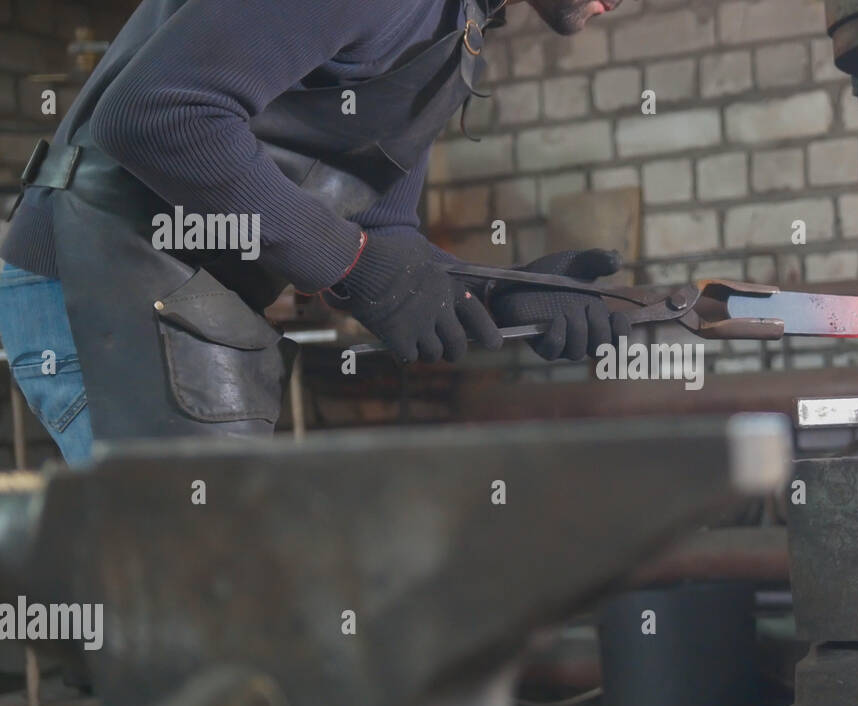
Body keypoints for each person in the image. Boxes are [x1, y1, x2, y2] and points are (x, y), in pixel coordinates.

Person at [0, 0, 628, 466]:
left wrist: (502, 294)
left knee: (227, 608)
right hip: (90, 280)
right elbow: (156, 113)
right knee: (201, 602)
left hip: (178, 292)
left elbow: (385, 231)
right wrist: (351, 264)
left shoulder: (454, 26)